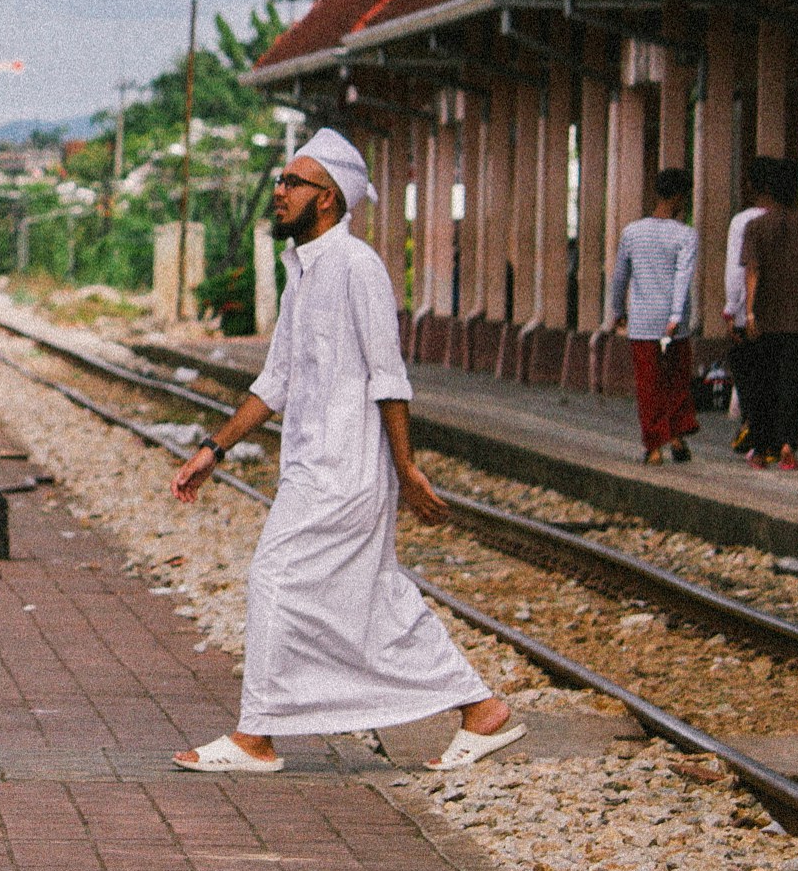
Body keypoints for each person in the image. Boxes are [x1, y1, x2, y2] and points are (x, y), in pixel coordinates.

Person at [169, 127, 521, 775]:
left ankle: (256, 737)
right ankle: (480, 707)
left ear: (326, 198)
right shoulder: (302, 269)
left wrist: (406, 466)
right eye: (281, 181)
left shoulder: (357, 266)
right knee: (371, 593)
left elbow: (388, 375)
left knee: (275, 578)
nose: (279, 192)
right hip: (314, 463)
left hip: (347, 468)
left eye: (292, 183)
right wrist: (214, 449)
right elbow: (275, 381)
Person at [740, 158, 798, 472]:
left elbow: (752, 271)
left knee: (763, 383)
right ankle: (788, 445)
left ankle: (762, 449)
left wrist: (750, 314)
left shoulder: (755, 227)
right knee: (792, 385)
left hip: (764, 318)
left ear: (768, 191)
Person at [608, 167, 701, 464]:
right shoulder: (685, 235)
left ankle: (654, 447)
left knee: (649, 385)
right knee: (675, 382)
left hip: (643, 323)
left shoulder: (631, 233)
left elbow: (620, 277)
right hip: (676, 325)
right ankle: (674, 435)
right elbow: (682, 278)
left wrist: (618, 311)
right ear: (678, 197)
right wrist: (675, 316)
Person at [723, 173, 771, 454]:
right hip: (784, 314)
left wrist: (732, 308)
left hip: (748, 312)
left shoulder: (742, 221)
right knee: (772, 373)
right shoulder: (795, 220)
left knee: (747, 369)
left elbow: (737, 270)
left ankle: (752, 423)